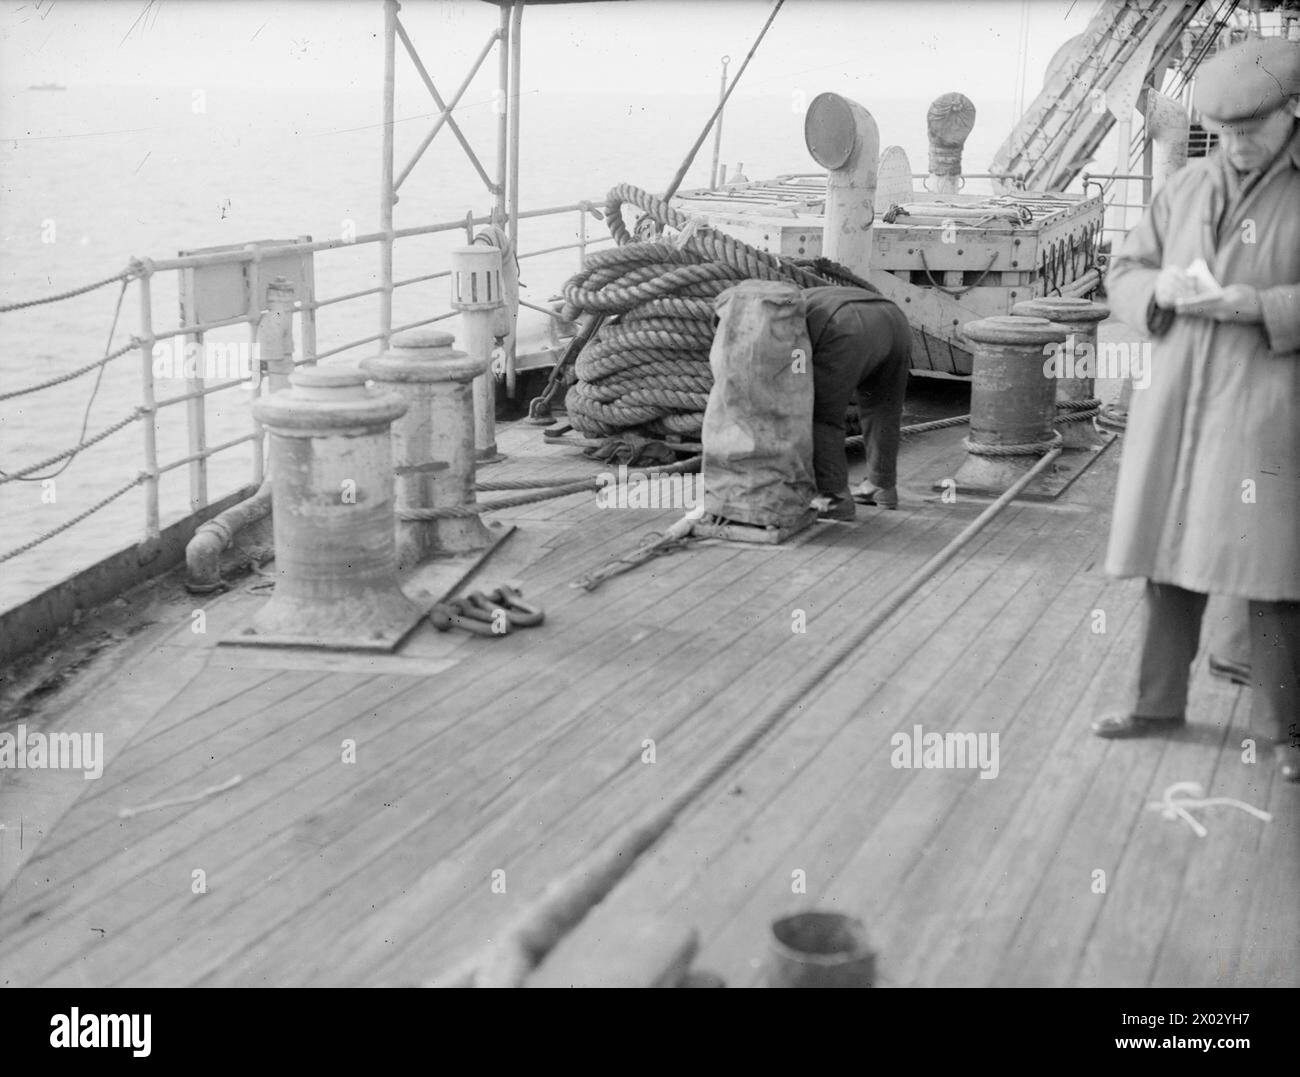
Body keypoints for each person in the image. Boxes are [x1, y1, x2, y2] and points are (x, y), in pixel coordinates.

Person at [1091, 38, 1300, 782]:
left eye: (1252, 129)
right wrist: (1157, 292)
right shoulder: (1183, 189)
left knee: (1274, 575)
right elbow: (1124, 268)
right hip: (1180, 404)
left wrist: (1262, 304)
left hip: (1267, 408)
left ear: (1290, 112)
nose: (1237, 144)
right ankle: (1157, 704)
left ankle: (1287, 734)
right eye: (1228, 131)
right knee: (1170, 556)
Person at [802, 285, 912, 521]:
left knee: (821, 415)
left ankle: (834, 499)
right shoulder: (805, 297)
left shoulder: (779, 314)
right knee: (884, 408)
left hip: (846, 324)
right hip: (894, 318)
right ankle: (882, 485)